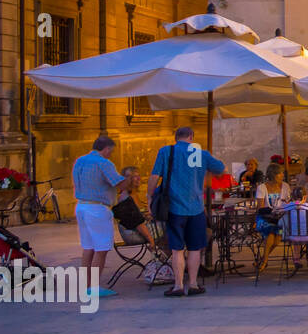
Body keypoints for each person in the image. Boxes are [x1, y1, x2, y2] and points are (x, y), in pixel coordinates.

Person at [148, 126, 226, 297]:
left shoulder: (166, 151)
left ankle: (177, 286)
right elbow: (221, 169)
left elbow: (154, 177)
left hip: (174, 208)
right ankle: (193, 284)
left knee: (176, 249)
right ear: (191, 136)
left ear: (176, 138)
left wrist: (149, 198)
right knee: (195, 249)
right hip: (196, 208)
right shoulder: (201, 153)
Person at [72, 135, 129, 299]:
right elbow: (118, 183)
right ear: (107, 149)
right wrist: (130, 179)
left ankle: (86, 286)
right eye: (111, 151)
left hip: (81, 205)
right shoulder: (104, 163)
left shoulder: (80, 161)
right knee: (101, 249)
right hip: (97, 208)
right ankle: (95, 287)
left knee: (88, 248)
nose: (111, 154)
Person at [112, 167, 155, 247]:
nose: (138, 178)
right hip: (133, 234)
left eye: (139, 175)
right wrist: (151, 241)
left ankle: (161, 255)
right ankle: (164, 255)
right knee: (169, 227)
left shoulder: (134, 195)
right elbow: (137, 222)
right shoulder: (126, 198)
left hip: (137, 230)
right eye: (134, 176)